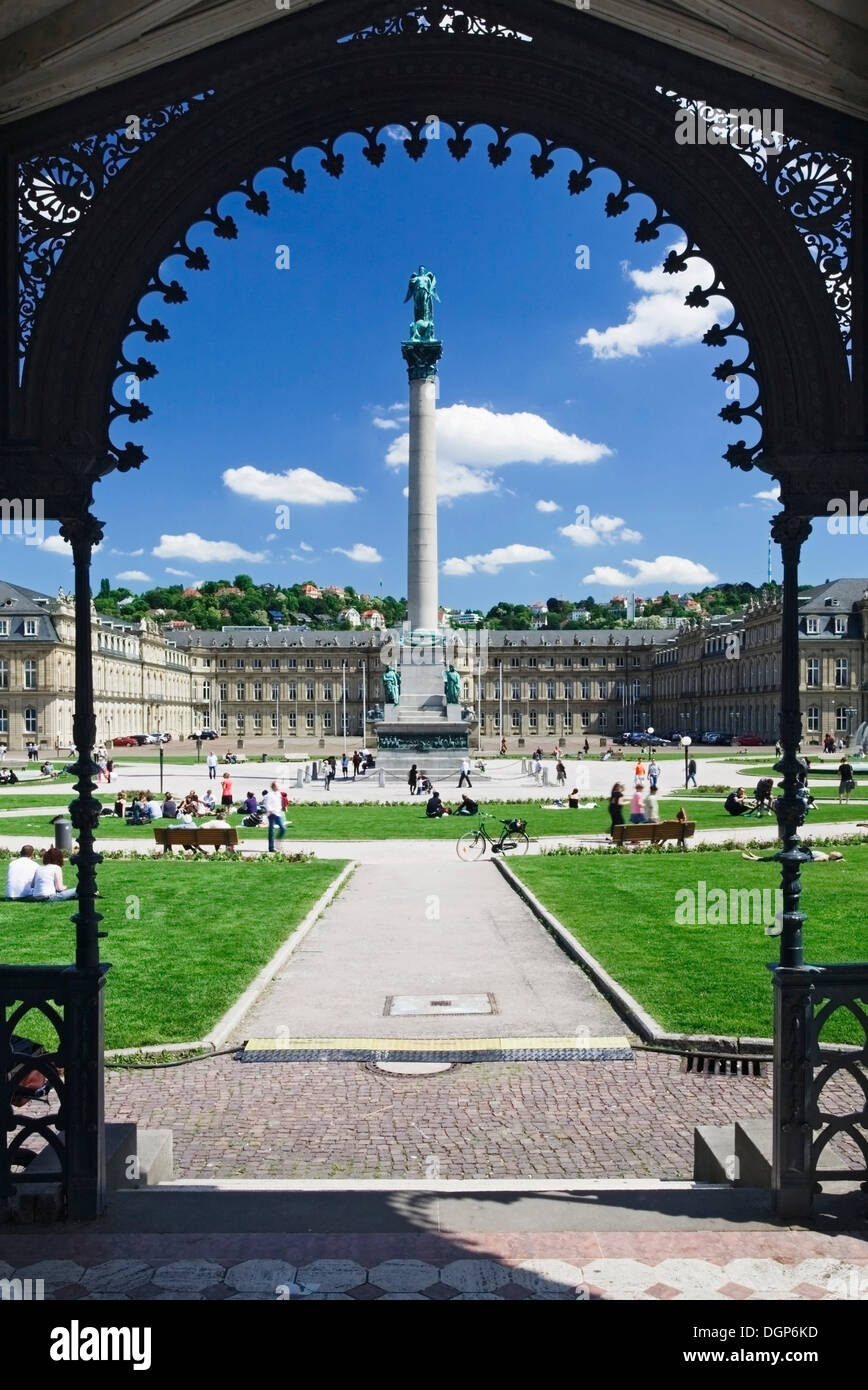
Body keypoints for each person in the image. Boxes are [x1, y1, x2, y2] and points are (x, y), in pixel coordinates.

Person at [264, 781, 286, 852]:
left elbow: (278, 803)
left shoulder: (278, 794)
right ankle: (271, 847)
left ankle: (277, 840)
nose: (278, 787)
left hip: (278, 813)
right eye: (277, 786)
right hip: (272, 814)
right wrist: (270, 810)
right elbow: (267, 804)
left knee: (283, 828)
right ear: (273, 787)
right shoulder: (269, 795)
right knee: (271, 830)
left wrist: (281, 809)